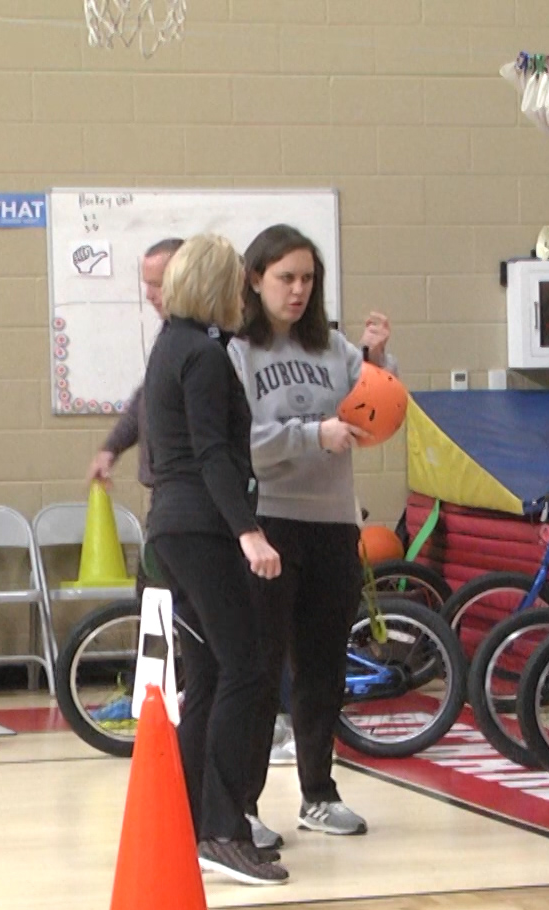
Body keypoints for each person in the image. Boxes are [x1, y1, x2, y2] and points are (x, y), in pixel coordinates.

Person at [225, 225, 396, 845]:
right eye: (285, 278)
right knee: (261, 668)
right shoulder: (238, 352)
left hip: (332, 522)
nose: (298, 291)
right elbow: (241, 447)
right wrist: (308, 436)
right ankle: (242, 805)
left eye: (307, 279)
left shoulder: (336, 350)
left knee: (322, 668)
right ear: (254, 279)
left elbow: (376, 417)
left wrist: (377, 362)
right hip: (269, 522)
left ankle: (318, 794)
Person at [141, 234, 286, 886]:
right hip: (201, 531)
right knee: (246, 670)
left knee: (205, 677)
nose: (242, 297)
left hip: (171, 532)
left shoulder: (173, 344)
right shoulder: (199, 354)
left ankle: (185, 820)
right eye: (236, 285)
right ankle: (224, 828)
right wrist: (248, 532)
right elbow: (211, 454)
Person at [88, 237, 183, 488]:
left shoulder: (201, 343)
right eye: (147, 285)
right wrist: (111, 448)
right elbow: (148, 396)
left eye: (158, 285)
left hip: (189, 491)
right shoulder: (168, 334)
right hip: (164, 487)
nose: (149, 295)